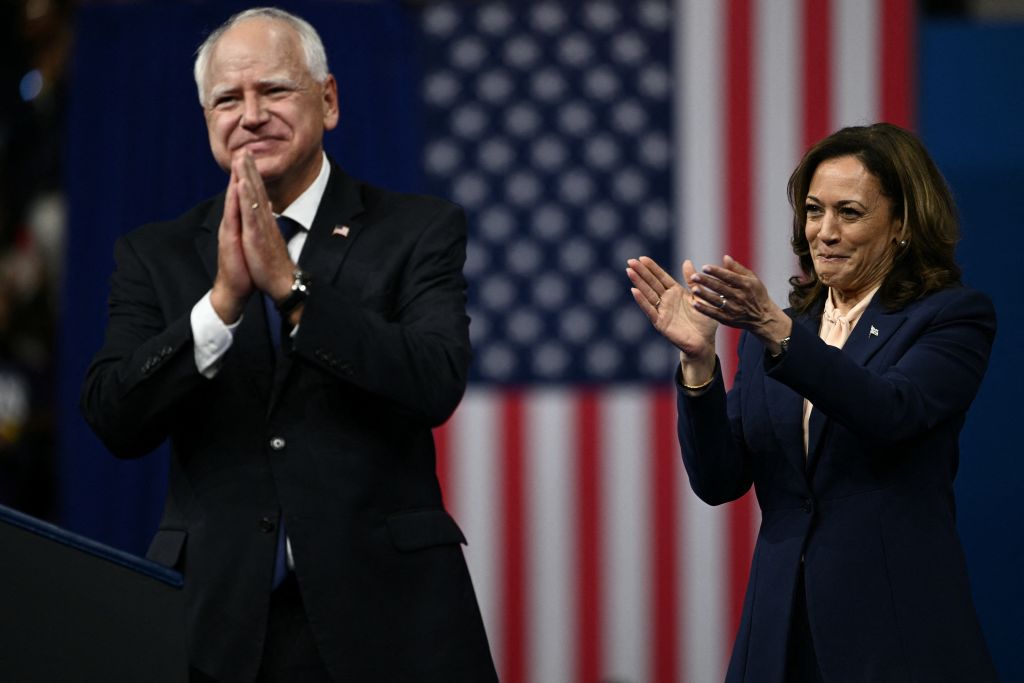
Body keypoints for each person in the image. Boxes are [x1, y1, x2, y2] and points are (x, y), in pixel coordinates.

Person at [79, 8, 496, 682]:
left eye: (273, 90)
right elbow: (112, 415)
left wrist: (294, 290)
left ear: (327, 100)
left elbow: (435, 379)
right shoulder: (153, 255)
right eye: (227, 99)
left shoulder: (417, 230)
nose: (250, 114)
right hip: (218, 626)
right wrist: (220, 306)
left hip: (389, 617)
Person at [626, 123, 997, 682]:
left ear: (901, 224)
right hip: (779, 630)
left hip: (892, 631)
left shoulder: (949, 317)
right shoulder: (777, 332)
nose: (824, 232)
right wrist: (699, 362)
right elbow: (719, 479)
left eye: (849, 212)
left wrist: (777, 332)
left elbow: (890, 413)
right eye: (814, 210)